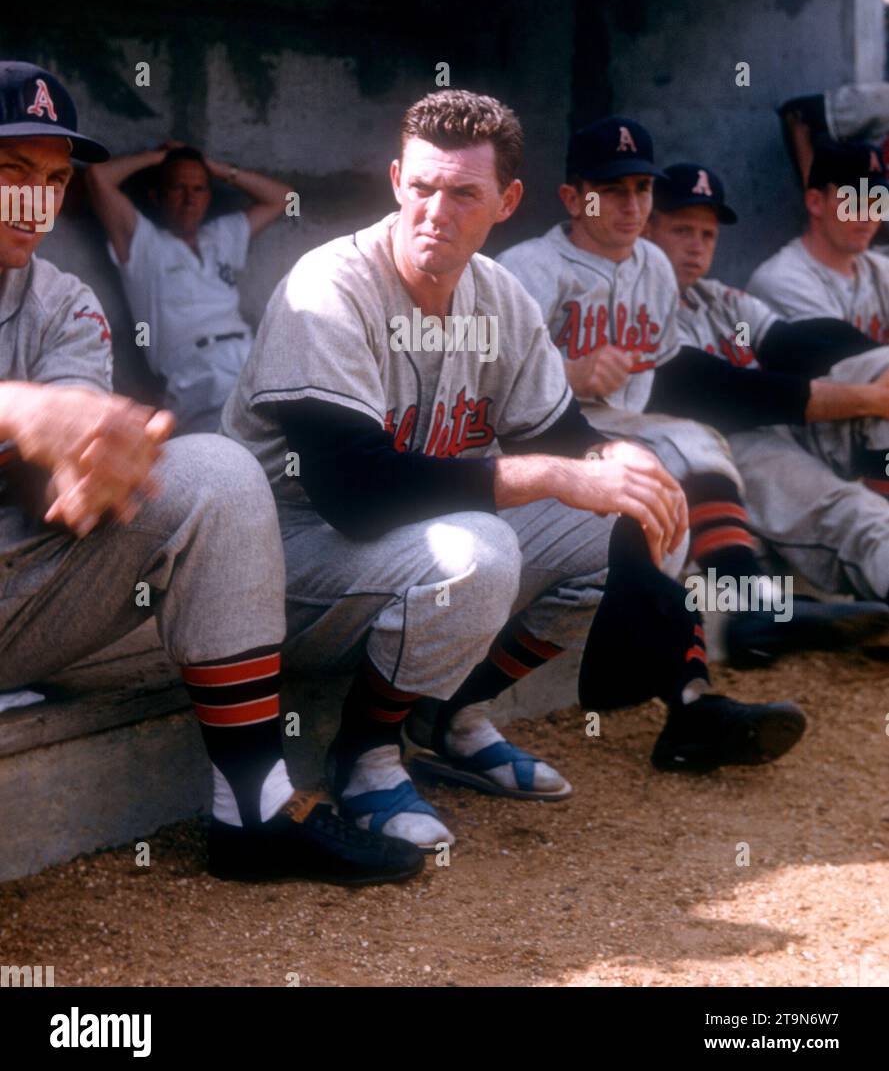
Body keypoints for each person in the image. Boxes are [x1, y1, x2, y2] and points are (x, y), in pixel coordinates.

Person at [221, 90, 806, 852]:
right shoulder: (328, 285)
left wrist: (611, 456)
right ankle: (365, 752)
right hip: (285, 555)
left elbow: (556, 431)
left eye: (464, 193)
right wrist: (550, 476)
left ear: (506, 201)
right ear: (397, 181)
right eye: (423, 187)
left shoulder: (497, 295)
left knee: (632, 497)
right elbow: (354, 493)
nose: (436, 211)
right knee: (477, 550)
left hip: (388, 550)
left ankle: (452, 714)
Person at [0, 62, 422, 888]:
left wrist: (91, 464)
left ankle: (254, 811)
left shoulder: (63, 301)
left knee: (220, 471)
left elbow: (55, 490)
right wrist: (18, 409)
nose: (38, 201)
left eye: (54, 180)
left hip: (17, 600)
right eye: (12, 175)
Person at [495, 116, 848, 666]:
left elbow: (657, 374)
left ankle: (737, 623)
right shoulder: (527, 268)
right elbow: (483, 376)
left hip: (615, 426)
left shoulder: (653, 265)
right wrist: (567, 372)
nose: (633, 205)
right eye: (612, 191)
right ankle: (732, 624)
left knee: (690, 448)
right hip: (531, 436)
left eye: (642, 189)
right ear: (572, 197)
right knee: (677, 452)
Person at [647, 153, 889, 620]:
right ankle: (763, 618)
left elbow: (801, 344)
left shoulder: (716, 298)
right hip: (714, 449)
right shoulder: (641, 305)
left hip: (765, 439)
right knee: (857, 515)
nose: (696, 246)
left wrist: (877, 371)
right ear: (647, 229)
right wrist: (867, 396)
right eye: (682, 230)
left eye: (708, 234)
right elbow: (719, 393)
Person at [85, 140, 293, 433]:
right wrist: (158, 157)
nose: (189, 199)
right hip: (196, 373)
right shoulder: (144, 242)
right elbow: (97, 177)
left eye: (198, 189)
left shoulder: (220, 235)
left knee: (292, 436)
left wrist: (215, 168)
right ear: (156, 195)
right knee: (227, 454)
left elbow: (285, 197)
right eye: (177, 188)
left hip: (250, 355)